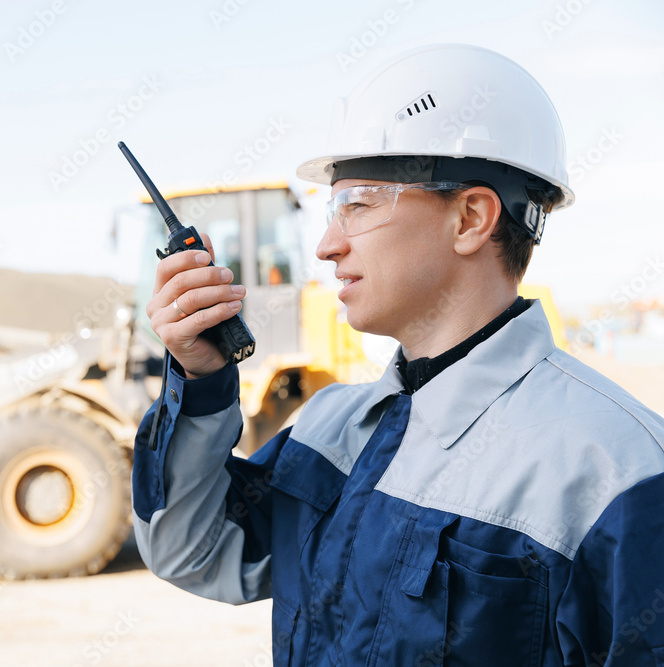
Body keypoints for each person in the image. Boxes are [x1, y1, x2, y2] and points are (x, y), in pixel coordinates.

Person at [131, 43, 664, 666]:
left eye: (356, 204)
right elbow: (190, 552)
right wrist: (201, 381)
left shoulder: (616, 469)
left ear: (470, 218)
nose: (328, 246)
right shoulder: (331, 430)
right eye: (332, 210)